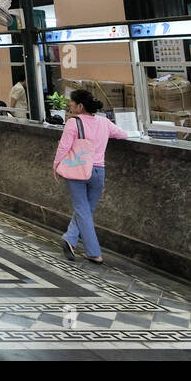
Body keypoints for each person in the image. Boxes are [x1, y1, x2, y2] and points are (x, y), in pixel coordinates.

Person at [54, 88, 128, 264]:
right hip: (98, 171)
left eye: (71, 102)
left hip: (77, 170)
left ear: (80, 106)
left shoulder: (73, 123)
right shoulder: (104, 123)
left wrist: (56, 165)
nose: (69, 105)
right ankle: (70, 239)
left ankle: (94, 253)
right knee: (86, 210)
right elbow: (123, 134)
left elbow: (64, 147)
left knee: (82, 210)